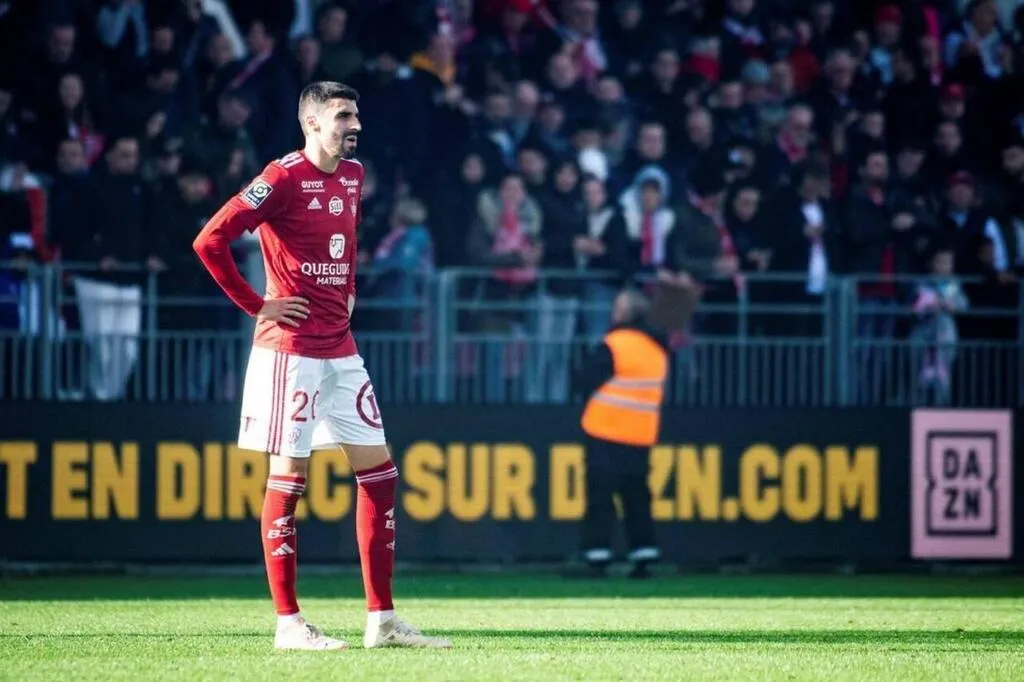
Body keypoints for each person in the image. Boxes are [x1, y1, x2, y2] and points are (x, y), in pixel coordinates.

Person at [193, 81, 451, 651]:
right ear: (312, 123)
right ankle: (289, 624)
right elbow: (209, 240)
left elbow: (347, 240)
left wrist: (351, 287)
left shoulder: (354, 177)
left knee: (381, 477)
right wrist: (257, 304)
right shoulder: (280, 177)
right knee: (290, 480)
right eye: (342, 116)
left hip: (342, 348)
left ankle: (381, 620)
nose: (353, 124)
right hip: (291, 351)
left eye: (356, 114)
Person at [576, 288, 669, 578]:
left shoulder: (615, 344)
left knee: (600, 499)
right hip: (640, 435)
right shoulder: (658, 350)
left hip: (607, 430)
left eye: (617, 306)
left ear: (623, 314)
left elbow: (584, 378)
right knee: (637, 498)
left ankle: (598, 557)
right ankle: (644, 555)